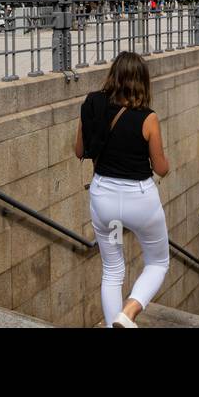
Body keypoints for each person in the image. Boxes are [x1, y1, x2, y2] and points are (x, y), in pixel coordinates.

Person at [74, 50, 171, 328]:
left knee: (112, 270)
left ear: (113, 75)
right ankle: (128, 313)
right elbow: (160, 167)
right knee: (157, 263)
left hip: (103, 196)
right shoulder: (147, 118)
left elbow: (80, 150)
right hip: (139, 199)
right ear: (142, 81)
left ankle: (113, 324)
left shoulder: (91, 104)